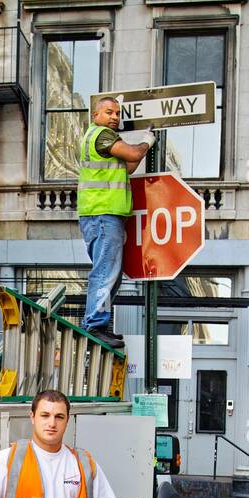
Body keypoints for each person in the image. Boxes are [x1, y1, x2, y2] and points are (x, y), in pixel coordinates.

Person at [78, 97, 155, 349]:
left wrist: (142, 148)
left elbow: (130, 165)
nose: (114, 117)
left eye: (117, 113)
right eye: (108, 112)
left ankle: (98, 324)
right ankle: (94, 324)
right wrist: (146, 141)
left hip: (103, 214)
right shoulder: (101, 135)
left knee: (112, 274)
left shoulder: (107, 143)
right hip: (103, 213)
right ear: (95, 115)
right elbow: (134, 153)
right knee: (105, 271)